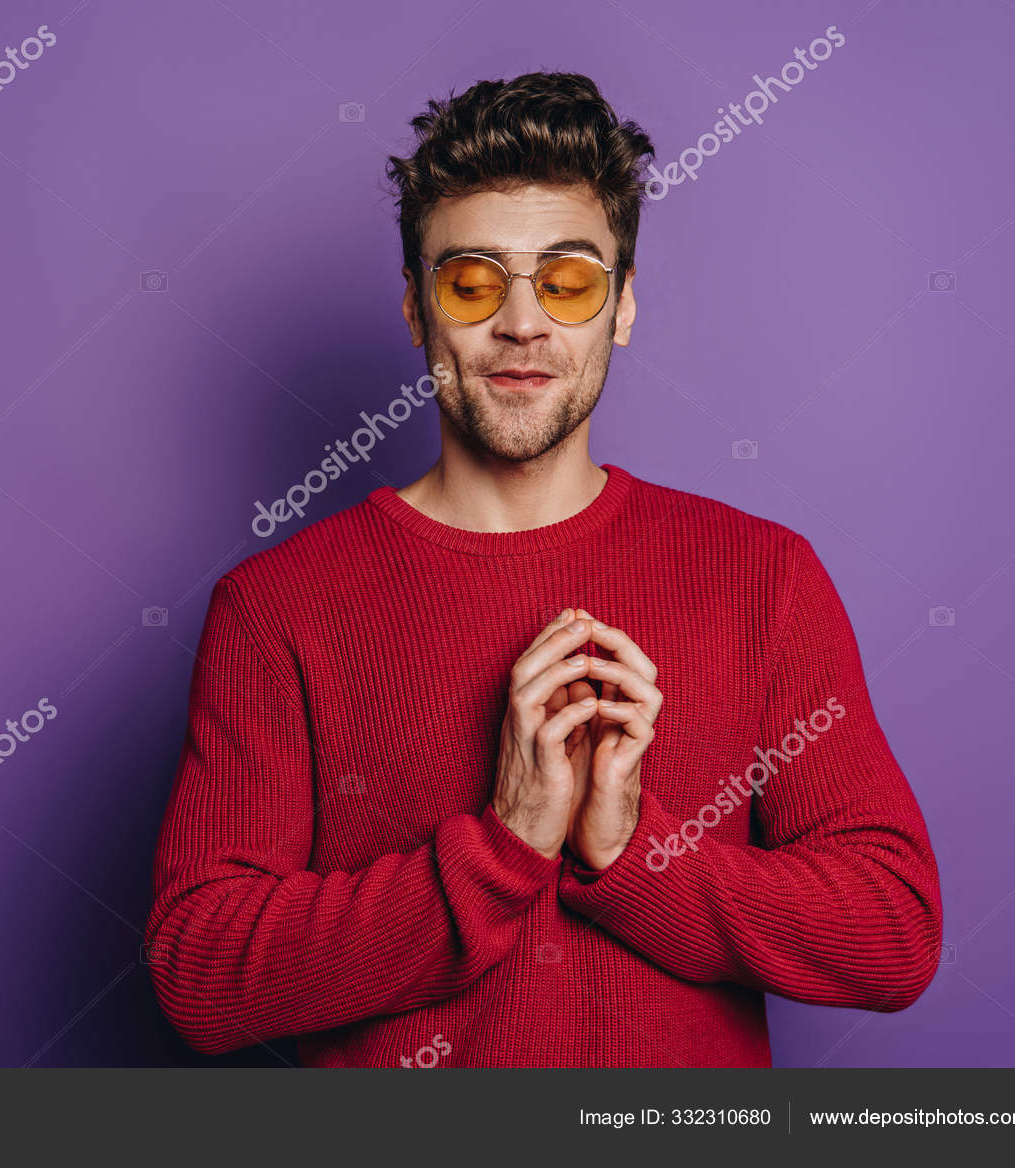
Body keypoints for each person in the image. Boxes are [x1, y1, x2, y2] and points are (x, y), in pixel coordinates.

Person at [145, 71, 941, 1067]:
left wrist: (635, 852)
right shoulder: (276, 607)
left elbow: (894, 935)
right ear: (413, 310)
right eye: (472, 283)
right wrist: (501, 849)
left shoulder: (761, 575)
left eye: (566, 282)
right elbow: (200, 972)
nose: (522, 325)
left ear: (623, 308)